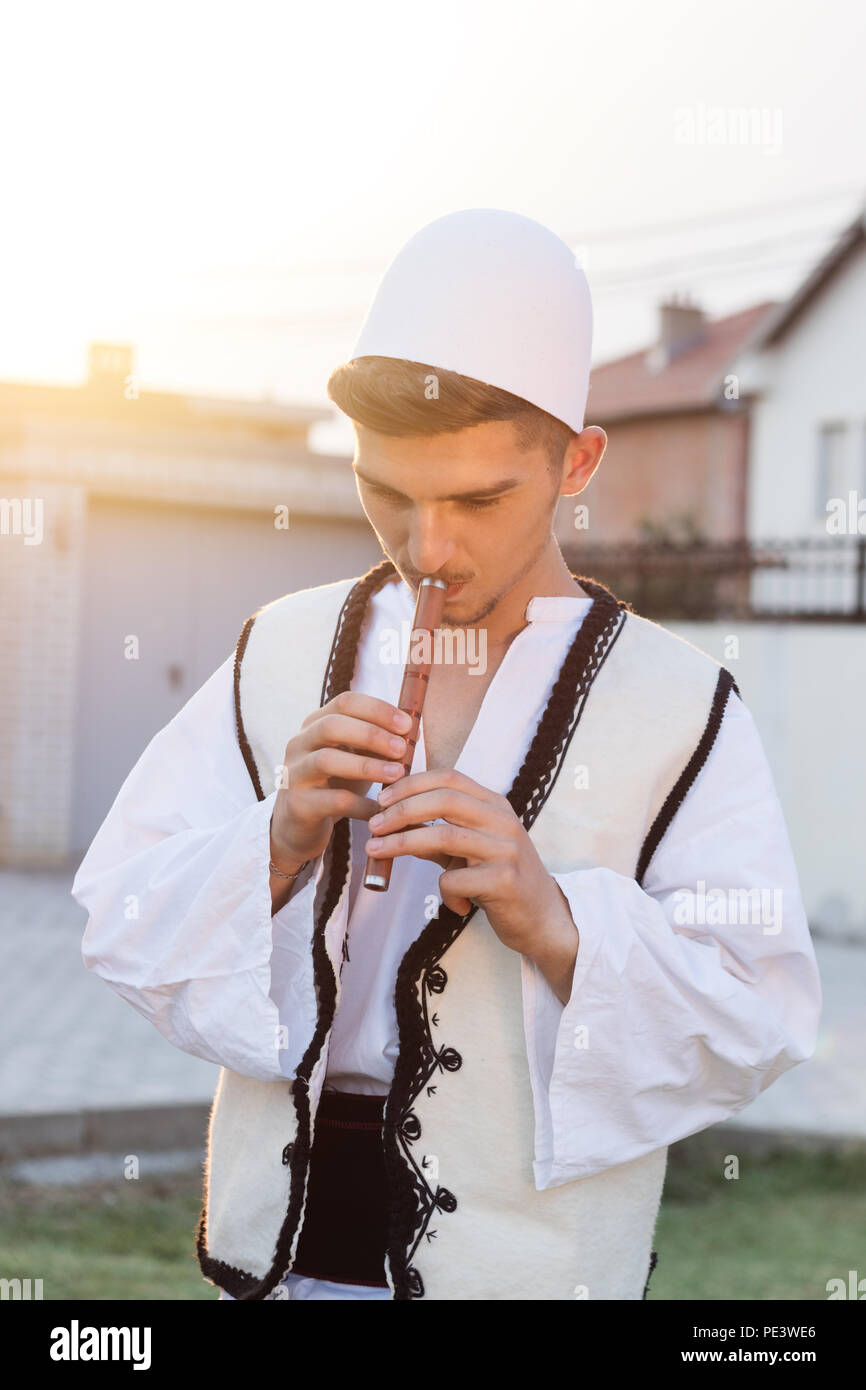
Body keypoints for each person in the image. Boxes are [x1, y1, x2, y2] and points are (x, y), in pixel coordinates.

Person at [72, 209, 821, 1301]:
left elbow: (758, 1014)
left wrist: (555, 919)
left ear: (577, 460)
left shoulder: (685, 705)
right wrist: (275, 841)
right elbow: (122, 917)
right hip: (275, 1253)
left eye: (477, 499)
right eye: (388, 494)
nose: (427, 546)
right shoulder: (273, 647)